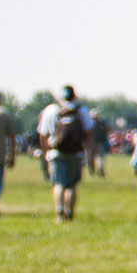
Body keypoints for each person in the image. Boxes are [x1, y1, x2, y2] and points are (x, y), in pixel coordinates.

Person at [35, 86, 95, 221]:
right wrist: (90, 153)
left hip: (56, 152)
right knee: (72, 184)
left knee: (59, 183)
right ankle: (69, 212)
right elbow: (88, 135)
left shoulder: (51, 110)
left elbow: (43, 135)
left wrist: (46, 153)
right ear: (74, 96)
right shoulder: (82, 111)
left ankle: (59, 212)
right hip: (76, 153)